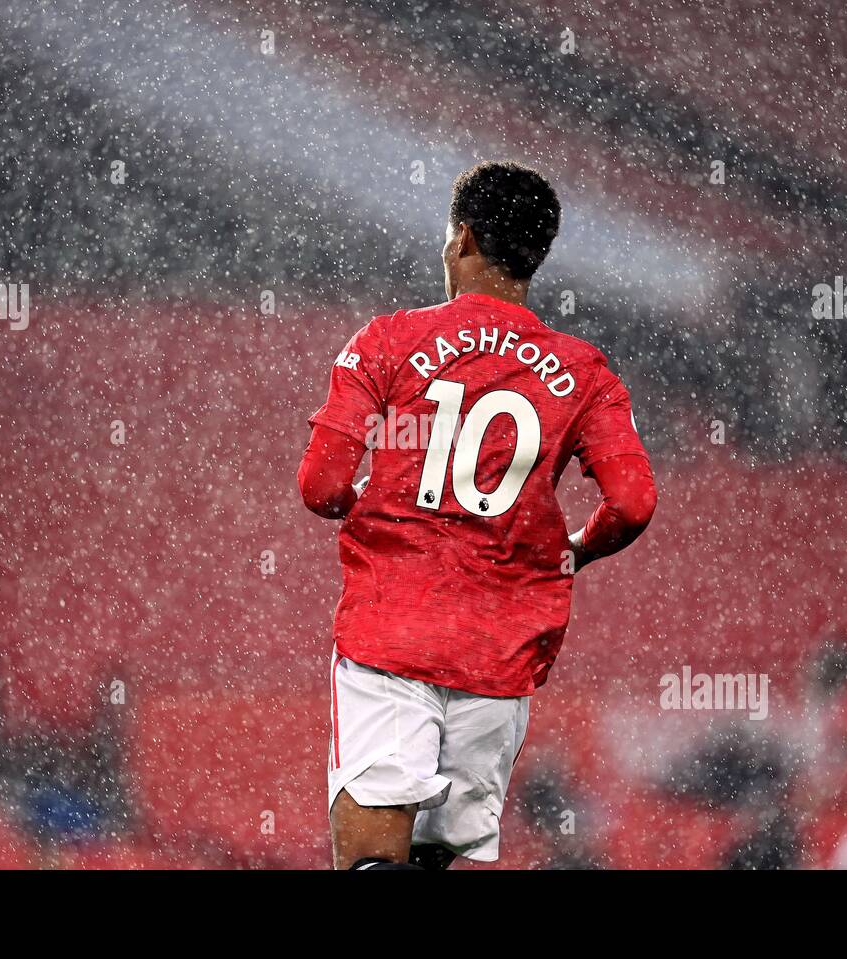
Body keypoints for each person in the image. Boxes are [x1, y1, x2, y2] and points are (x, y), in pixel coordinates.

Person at [297, 161, 657, 869]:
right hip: (498, 655)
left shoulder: (388, 340)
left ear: (462, 238)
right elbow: (633, 502)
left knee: (373, 861)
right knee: (431, 860)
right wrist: (576, 548)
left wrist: (360, 500)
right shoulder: (584, 371)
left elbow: (320, 483)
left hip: (391, 638)